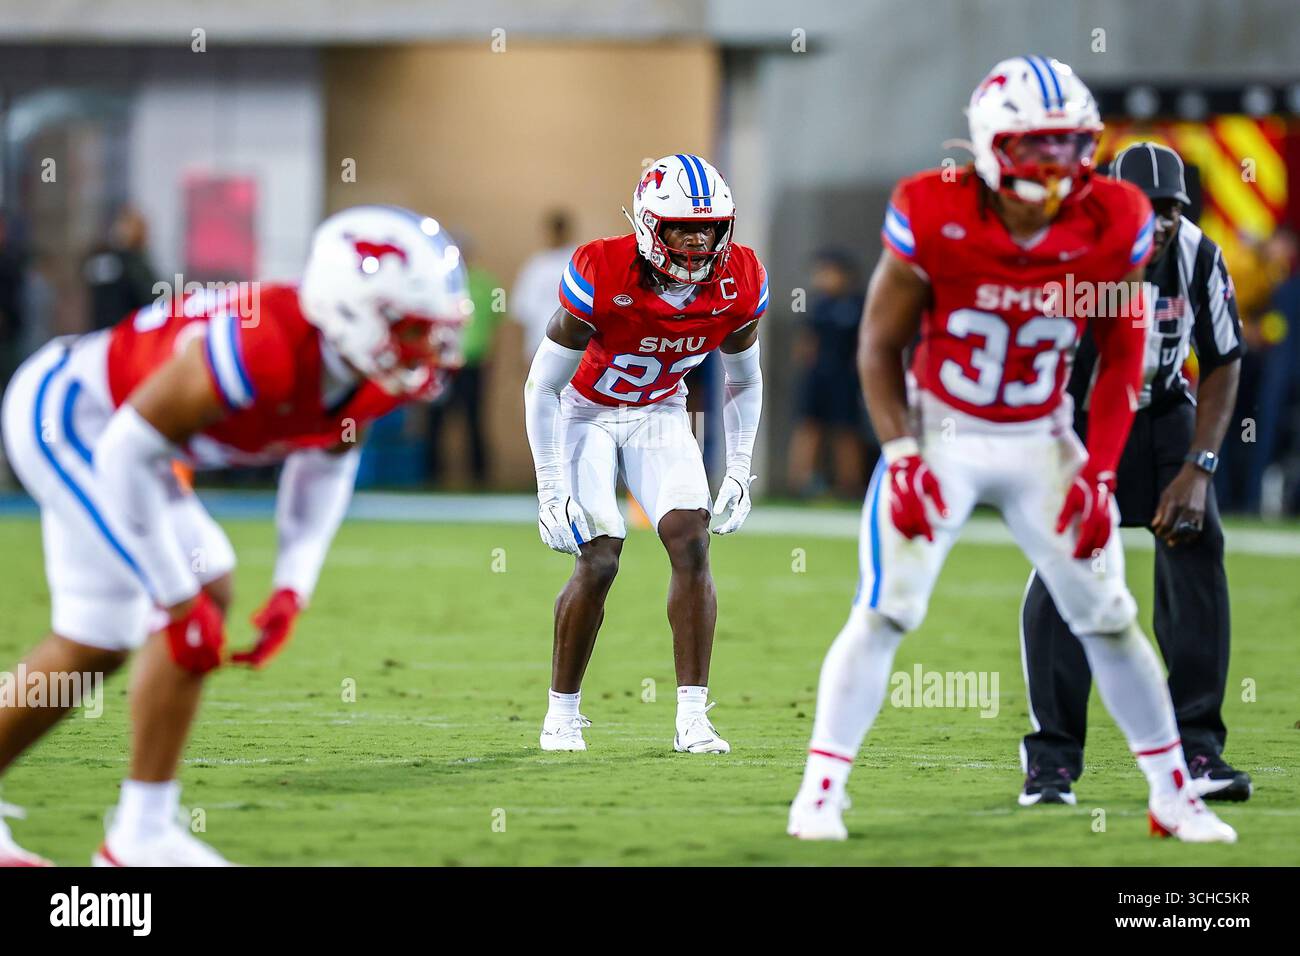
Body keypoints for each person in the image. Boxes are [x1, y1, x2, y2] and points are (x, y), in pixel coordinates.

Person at [788, 57, 1236, 844]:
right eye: (1039, 146)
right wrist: (900, 453)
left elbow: (1123, 351)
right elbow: (876, 344)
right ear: (995, 144)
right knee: (889, 608)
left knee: (1108, 615)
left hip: (1040, 434)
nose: (1057, 165)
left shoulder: (1112, 217)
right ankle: (820, 793)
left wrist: (1098, 474)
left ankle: (1173, 793)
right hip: (943, 430)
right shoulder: (933, 207)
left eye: (1072, 146)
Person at [0, 205, 469, 866]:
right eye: (413, 327)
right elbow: (124, 453)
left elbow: (324, 462)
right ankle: (142, 832)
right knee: (183, 596)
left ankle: (141, 833)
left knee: (98, 640)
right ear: (351, 310)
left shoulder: (368, 371)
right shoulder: (263, 344)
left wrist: (291, 588)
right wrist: (176, 599)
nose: (429, 348)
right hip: (74, 417)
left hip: (133, 446)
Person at [1018, 142, 1248, 806]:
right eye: (1144, 209)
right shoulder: (1067, 253)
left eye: (1169, 210)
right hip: (1075, 418)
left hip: (1161, 411)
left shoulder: (1198, 253)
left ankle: (1197, 747)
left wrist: (1199, 469)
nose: (1158, 223)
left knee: (1196, 543)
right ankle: (1053, 757)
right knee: (1068, 566)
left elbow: (1226, 358)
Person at [524, 154, 767, 754]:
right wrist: (550, 491)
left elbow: (745, 379)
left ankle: (692, 718)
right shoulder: (602, 270)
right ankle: (562, 713)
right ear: (649, 225)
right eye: (681, 226)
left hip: (659, 411)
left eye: (706, 228)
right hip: (585, 413)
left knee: (691, 538)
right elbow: (543, 386)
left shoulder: (740, 279)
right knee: (600, 556)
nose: (694, 240)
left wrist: (739, 468)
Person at [788, 249, 870, 497]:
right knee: (809, 427)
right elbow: (804, 342)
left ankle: (850, 484)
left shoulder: (858, 304)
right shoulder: (813, 304)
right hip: (816, 377)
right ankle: (800, 483)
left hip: (845, 378)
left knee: (846, 431)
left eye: (829, 273)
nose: (823, 278)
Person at [427, 237, 503, 485]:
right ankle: (432, 475)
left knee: (473, 419)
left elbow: (496, 323)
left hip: (473, 363)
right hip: (443, 364)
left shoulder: (487, 284)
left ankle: (479, 477)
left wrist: (491, 357)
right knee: (436, 421)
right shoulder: (439, 282)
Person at [512, 210, 578, 360]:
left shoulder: (578, 262)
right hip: (538, 342)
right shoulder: (536, 265)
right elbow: (522, 311)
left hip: (572, 348)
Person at [83, 206, 159, 332]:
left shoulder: (100, 258)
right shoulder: (132, 263)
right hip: (127, 335)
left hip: (101, 335)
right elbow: (151, 298)